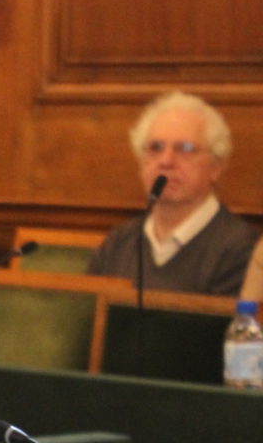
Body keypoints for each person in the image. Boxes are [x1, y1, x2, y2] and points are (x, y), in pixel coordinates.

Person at [87, 91, 257, 296]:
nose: (166, 161)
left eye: (185, 148)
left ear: (215, 168)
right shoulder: (117, 244)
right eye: (155, 148)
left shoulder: (241, 250)